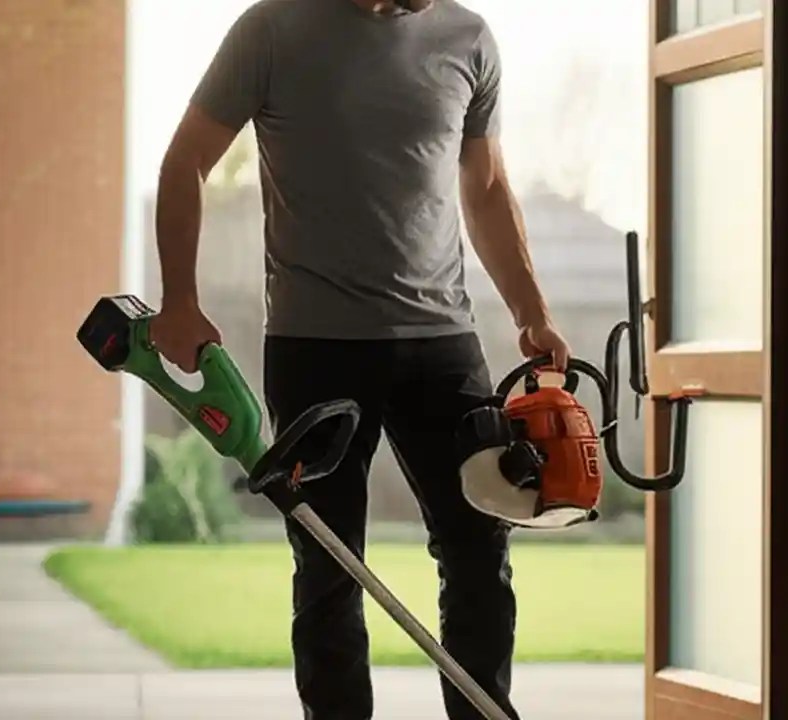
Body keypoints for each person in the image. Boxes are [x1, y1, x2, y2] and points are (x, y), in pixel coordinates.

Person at [149, 0, 569, 717]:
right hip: (316, 350)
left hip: (443, 344)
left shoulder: (467, 39)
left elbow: (488, 186)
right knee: (328, 564)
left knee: (478, 552)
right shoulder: (270, 31)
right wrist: (179, 299)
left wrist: (533, 312)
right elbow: (186, 160)